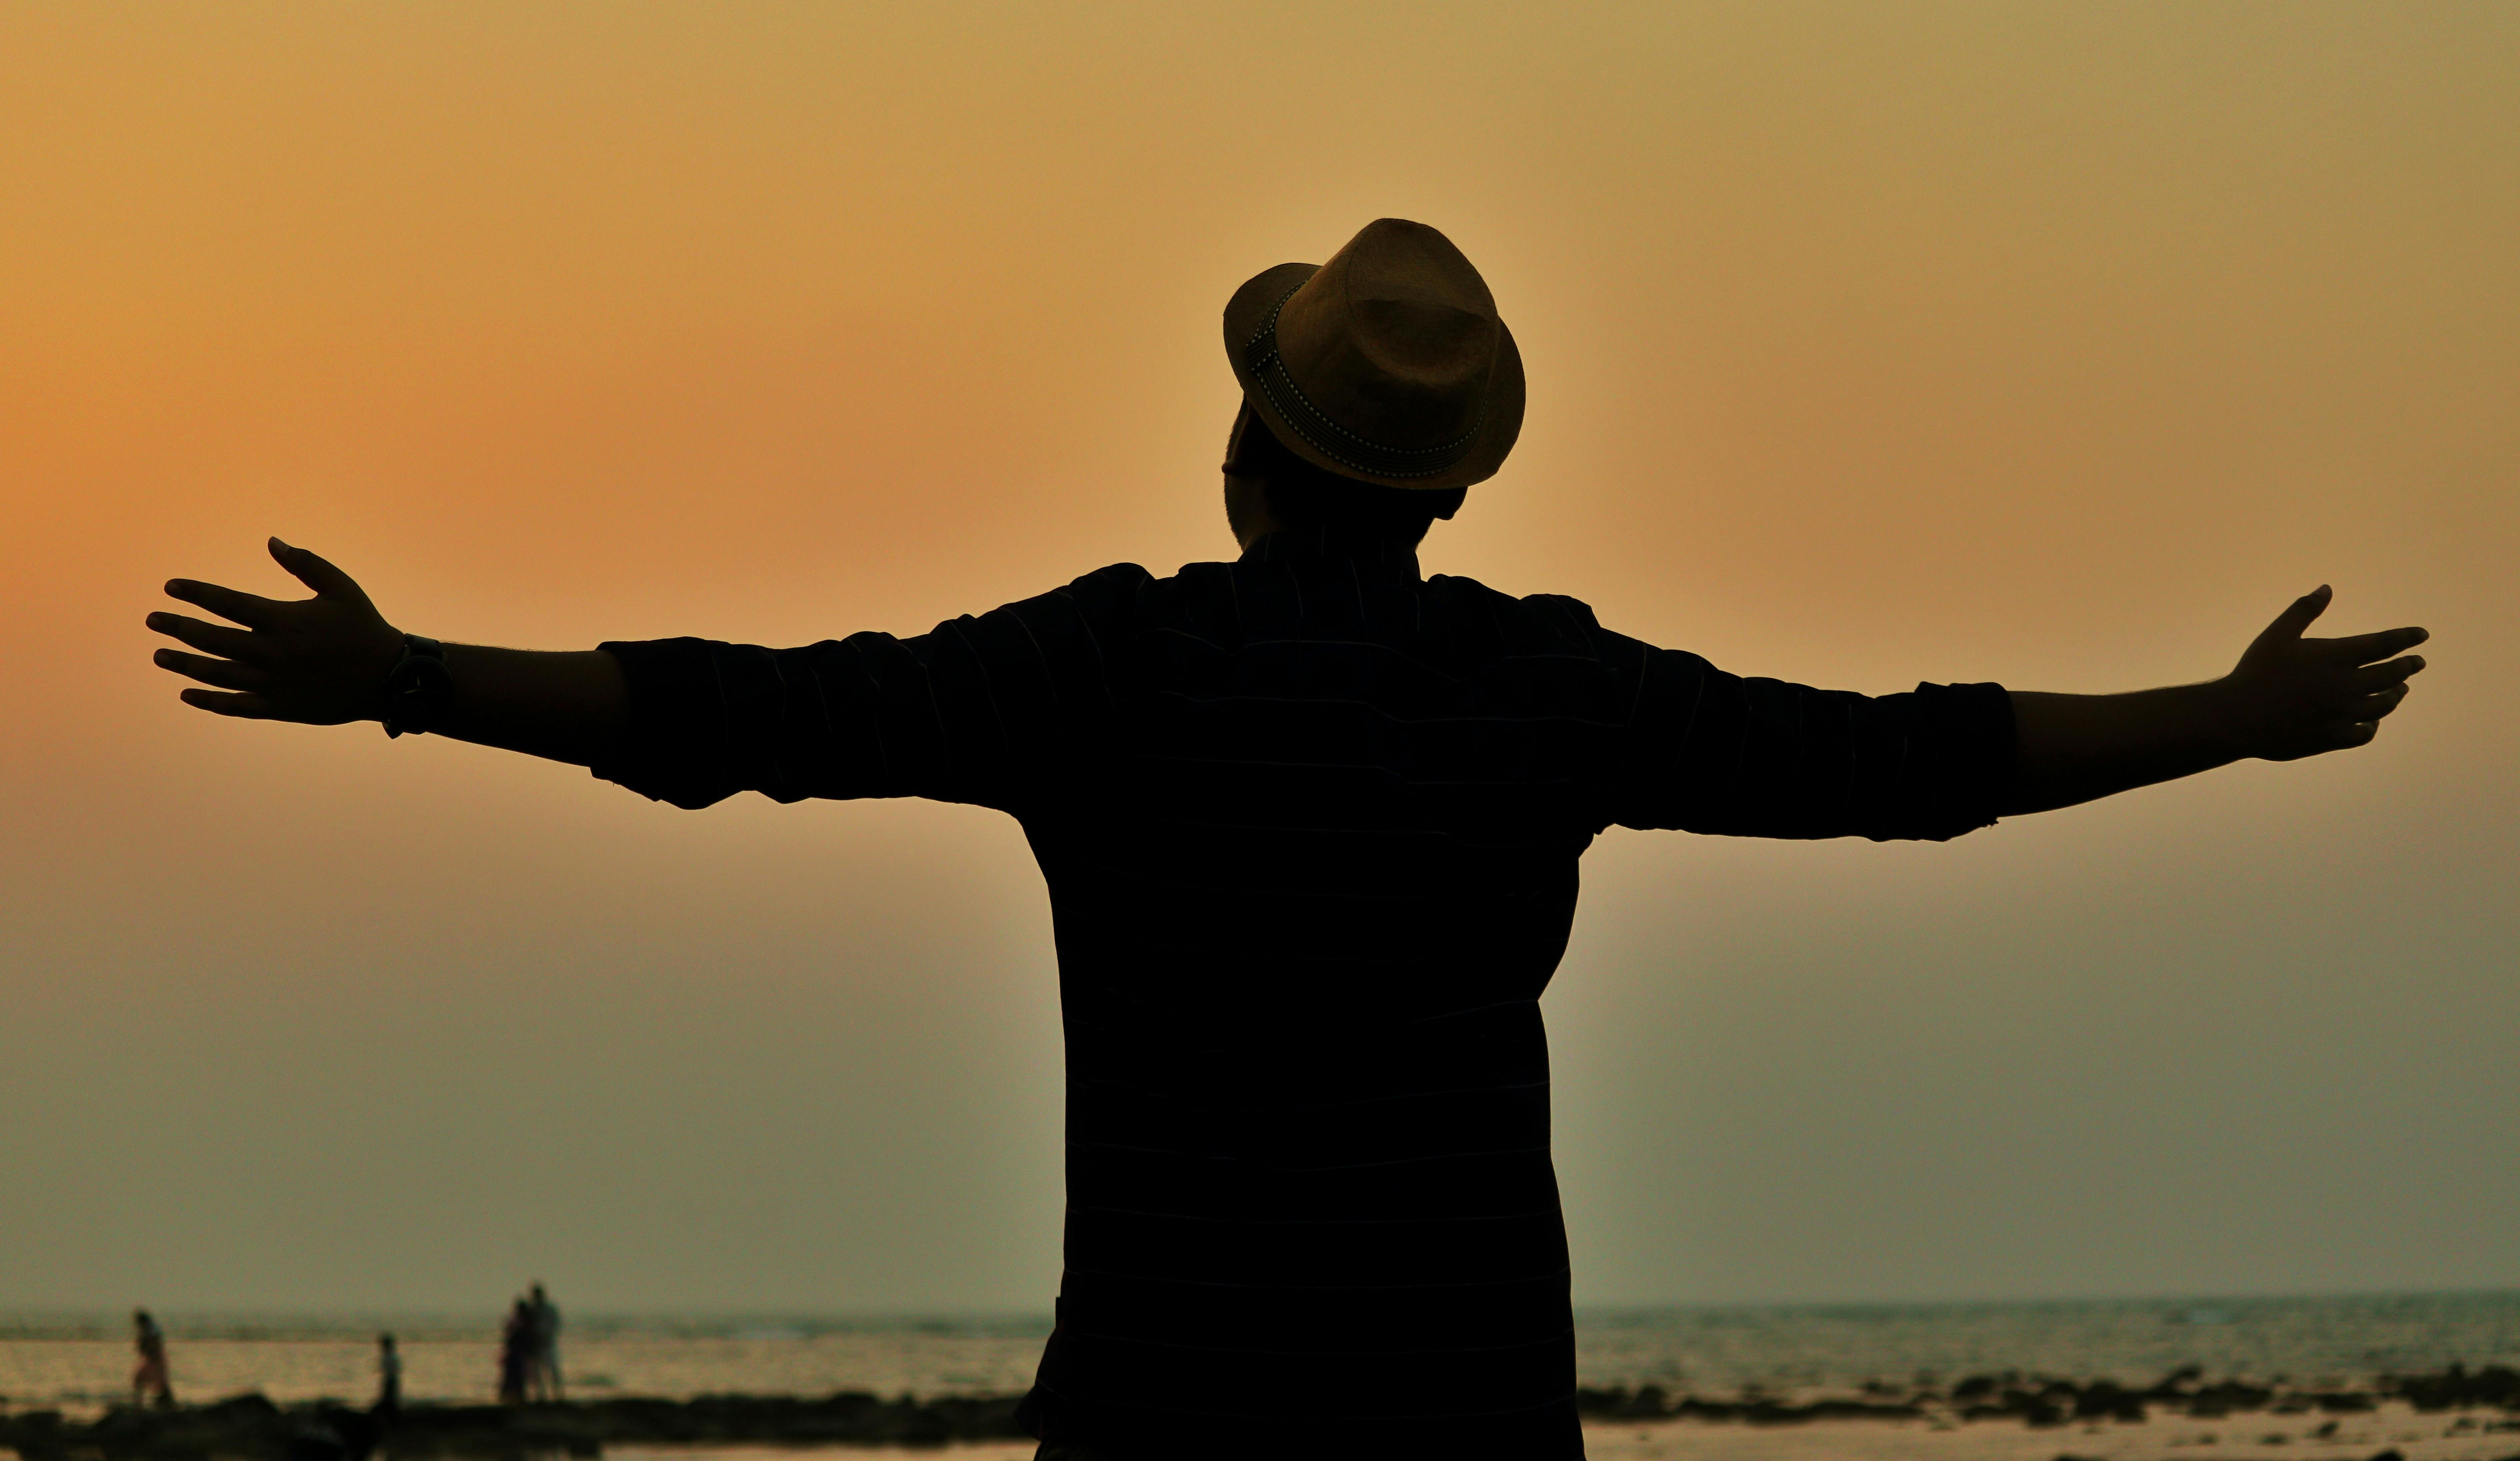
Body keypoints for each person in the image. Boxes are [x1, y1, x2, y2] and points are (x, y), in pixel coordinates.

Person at [145, 219, 2429, 1460]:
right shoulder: (1538, 688)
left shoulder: (1113, 669)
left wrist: (415, 678)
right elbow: (1911, 761)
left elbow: (741, 718)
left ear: (1246, 455)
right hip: (1457, 1410)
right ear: (1449, 486)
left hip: (1171, 1410)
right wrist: (2230, 723)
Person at [131, 1309, 173, 1410]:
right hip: (151, 1360)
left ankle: (165, 1401)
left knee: (157, 1381)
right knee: (143, 1380)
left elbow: (152, 1345)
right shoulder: (148, 1330)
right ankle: (140, 1402)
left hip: (155, 1360)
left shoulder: (152, 1331)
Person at [526, 1283, 562, 1401]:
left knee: (552, 1370)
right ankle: (541, 1396)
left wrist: (549, 1337)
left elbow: (556, 1325)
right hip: (536, 1345)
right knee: (538, 1372)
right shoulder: (532, 1311)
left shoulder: (549, 1310)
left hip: (548, 1344)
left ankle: (558, 1395)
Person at [496, 1298, 533, 1405]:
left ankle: (512, 1397)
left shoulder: (518, 1322)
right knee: (515, 1377)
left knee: (514, 1377)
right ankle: (515, 1397)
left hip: (516, 1353)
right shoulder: (524, 1323)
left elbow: (509, 1337)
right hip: (518, 1353)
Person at [374, 1331, 402, 1415]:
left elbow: (389, 1370)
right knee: (390, 1399)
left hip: (390, 1380)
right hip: (391, 1379)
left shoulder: (390, 1357)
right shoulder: (392, 1357)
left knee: (388, 1399)